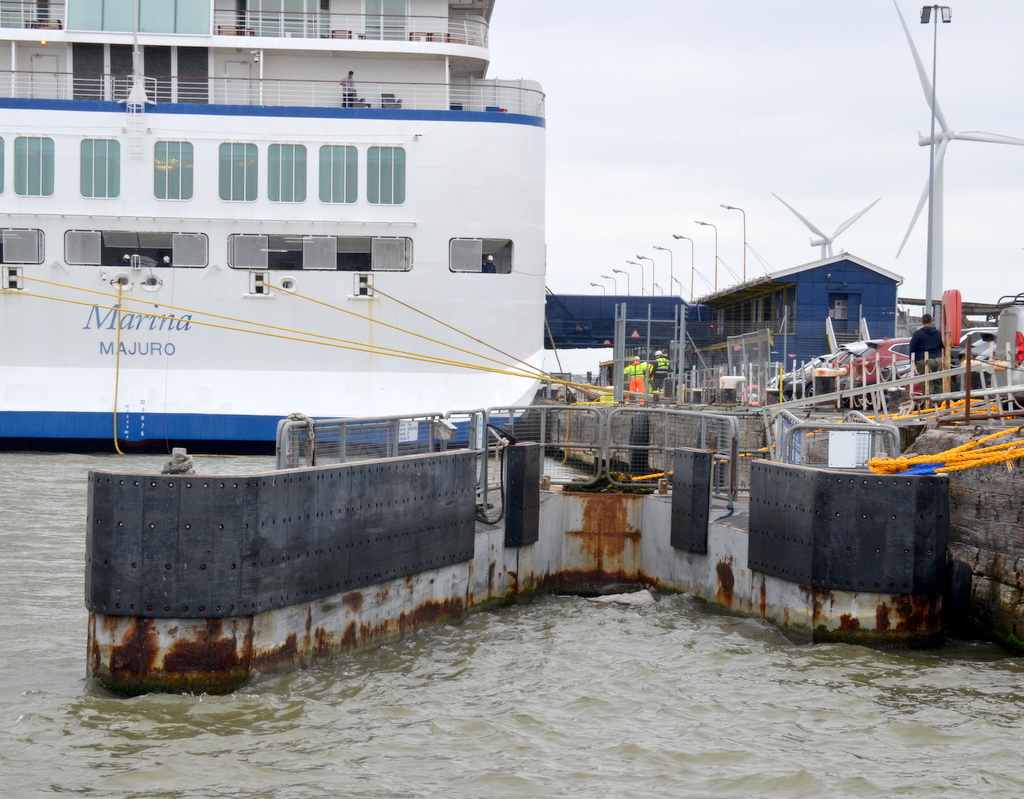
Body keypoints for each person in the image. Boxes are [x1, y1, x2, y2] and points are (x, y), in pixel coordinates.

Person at [909, 312, 943, 396]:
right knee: (939, 383)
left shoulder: (917, 334)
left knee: (927, 384)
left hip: (923, 360)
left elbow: (912, 349)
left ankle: (929, 406)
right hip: (938, 359)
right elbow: (942, 346)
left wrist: (912, 362)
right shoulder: (938, 333)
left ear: (922, 322)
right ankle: (940, 404)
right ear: (931, 321)